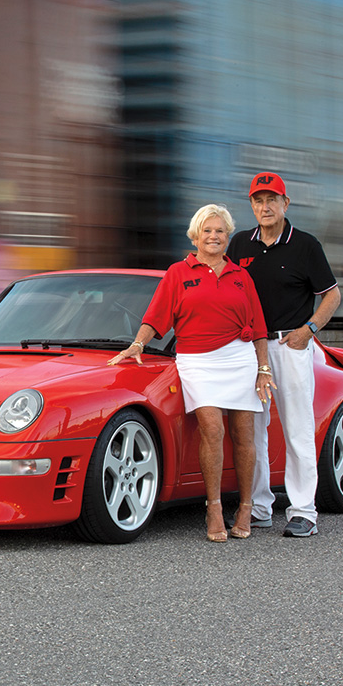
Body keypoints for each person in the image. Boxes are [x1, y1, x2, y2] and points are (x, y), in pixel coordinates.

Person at [109, 204, 276, 542]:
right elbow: (156, 315)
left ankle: (246, 507)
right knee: (212, 429)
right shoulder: (178, 273)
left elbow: (259, 327)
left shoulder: (241, 276)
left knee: (244, 434)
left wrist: (263, 369)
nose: (213, 236)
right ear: (195, 237)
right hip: (197, 361)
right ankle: (213, 507)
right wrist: (138, 345)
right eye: (207, 231)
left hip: (240, 358)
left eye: (220, 231)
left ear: (228, 237)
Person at [227, 172, 342, 538]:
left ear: (285, 204)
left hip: (289, 346)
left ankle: (304, 511)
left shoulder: (305, 245)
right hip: (250, 348)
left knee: (297, 428)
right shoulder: (239, 244)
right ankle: (260, 507)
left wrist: (309, 330)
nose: (265, 207)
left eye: (272, 200)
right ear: (251, 205)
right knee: (252, 430)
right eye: (258, 201)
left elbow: (333, 295)